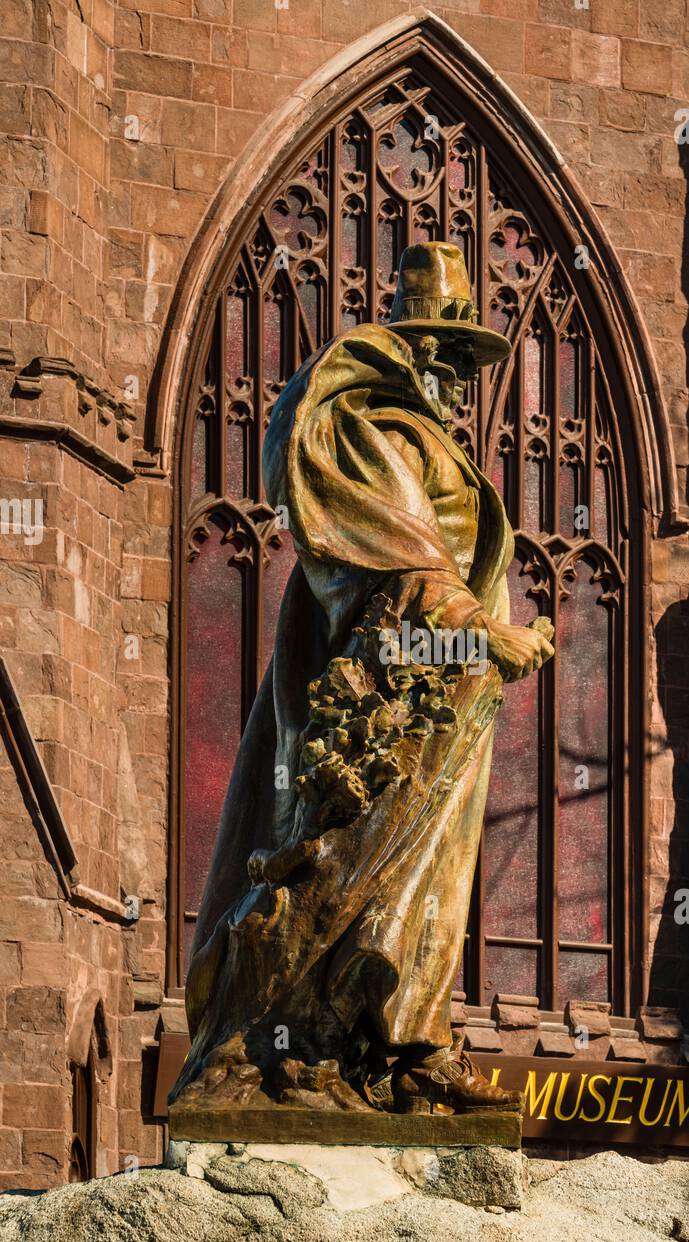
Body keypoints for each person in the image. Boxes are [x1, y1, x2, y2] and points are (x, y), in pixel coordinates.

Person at [172, 243, 554, 1118]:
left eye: (467, 360)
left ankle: (407, 1045)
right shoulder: (367, 432)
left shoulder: (416, 437)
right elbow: (391, 562)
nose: (461, 378)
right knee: (354, 869)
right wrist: (482, 633)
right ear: (412, 348)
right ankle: (308, 1047)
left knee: (426, 869)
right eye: (450, 355)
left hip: (447, 699)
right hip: (389, 700)